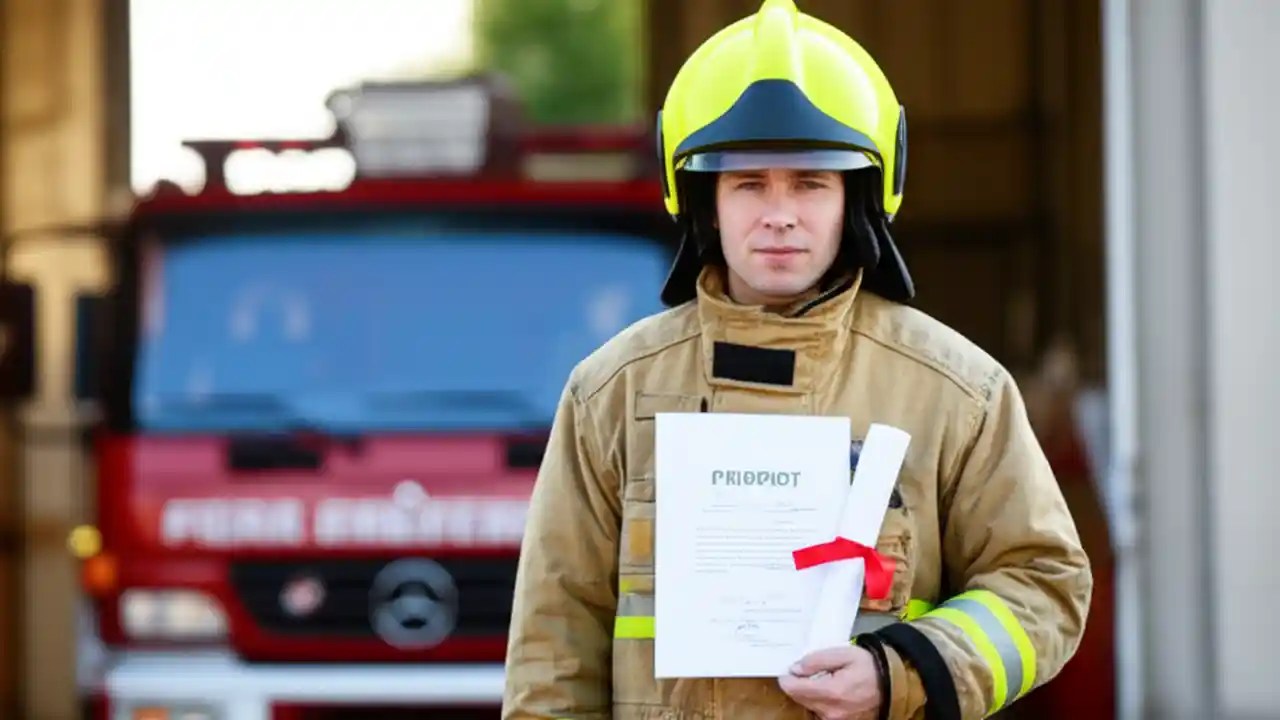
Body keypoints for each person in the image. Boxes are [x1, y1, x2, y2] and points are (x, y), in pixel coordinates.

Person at [501, 1, 1092, 718]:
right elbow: (552, 645)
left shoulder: (957, 393)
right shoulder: (611, 395)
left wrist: (900, 672)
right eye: (748, 183)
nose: (779, 212)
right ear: (704, 202)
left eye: (811, 182)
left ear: (857, 199)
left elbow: (1043, 583)